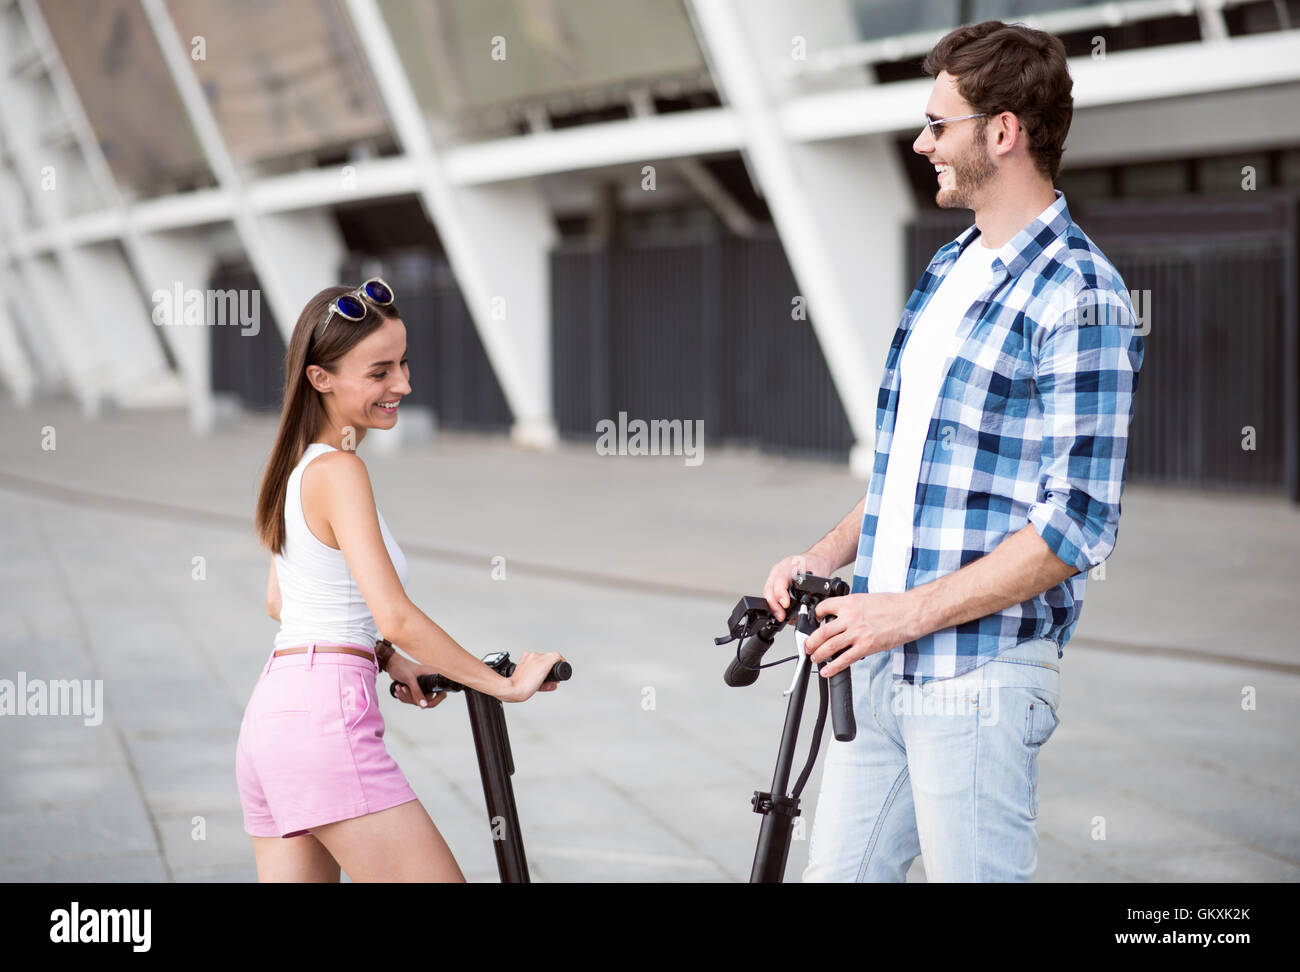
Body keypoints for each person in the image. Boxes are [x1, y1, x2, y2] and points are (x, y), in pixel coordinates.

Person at [761, 21, 1144, 881]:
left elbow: (1077, 525)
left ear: (1002, 132)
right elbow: (913, 477)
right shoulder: (949, 268)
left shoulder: (1083, 297)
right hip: (880, 668)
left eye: (940, 124)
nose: (921, 141)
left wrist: (904, 612)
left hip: (978, 678)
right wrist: (824, 555)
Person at [241, 278, 564, 882]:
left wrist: (388, 659)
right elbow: (395, 613)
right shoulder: (339, 471)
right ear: (321, 378)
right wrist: (507, 686)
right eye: (380, 372)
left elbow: (279, 601)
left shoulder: (296, 469)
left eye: (404, 363)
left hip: (273, 723)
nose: (404, 385)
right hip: (324, 726)